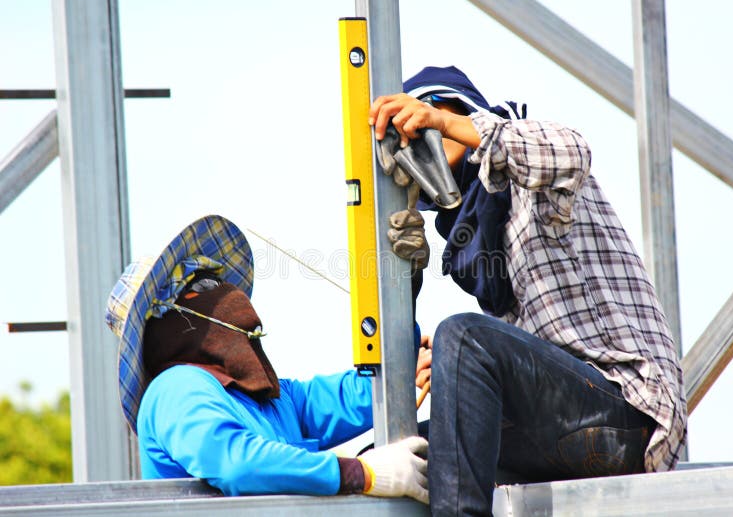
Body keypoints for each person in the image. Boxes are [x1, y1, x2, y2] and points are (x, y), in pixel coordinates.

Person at [370, 66, 687, 516]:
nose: (420, 139)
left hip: (628, 413)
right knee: (401, 457)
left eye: (424, 117)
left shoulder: (527, 170)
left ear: (458, 108)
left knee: (464, 336)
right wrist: (452, 367)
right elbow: (530, 356)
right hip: (564, 427)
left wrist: (441, 122)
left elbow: (573, 150)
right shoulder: (478, 232)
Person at [104, 214, 428, 502]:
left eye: (220, 280)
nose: (227, 291)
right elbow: (237, 462)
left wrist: (401, 288)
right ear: (169, 321)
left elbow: (359, 394)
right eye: (205, 284)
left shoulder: (272, 398)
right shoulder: (175, 389)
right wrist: (361, 473)